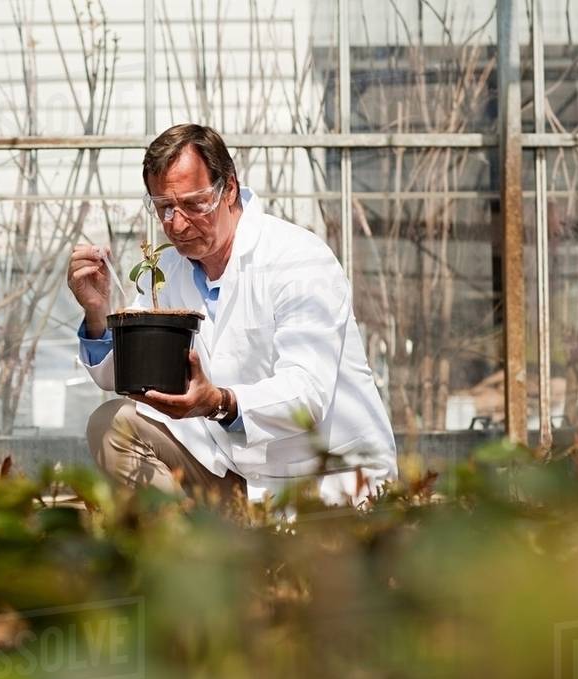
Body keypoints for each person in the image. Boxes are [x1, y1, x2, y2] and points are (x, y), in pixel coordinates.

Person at [69, 123, 397, 506]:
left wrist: (219, 402)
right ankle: (188, 556)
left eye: (193, 204)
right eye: (164, 208)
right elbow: (129, 376)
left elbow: (308, 394)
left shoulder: (297, 259)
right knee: (112, 425)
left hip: (323, 481)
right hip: (235, 472)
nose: (176, 223)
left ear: (230, 189)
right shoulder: (168, 271)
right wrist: (98, 311)